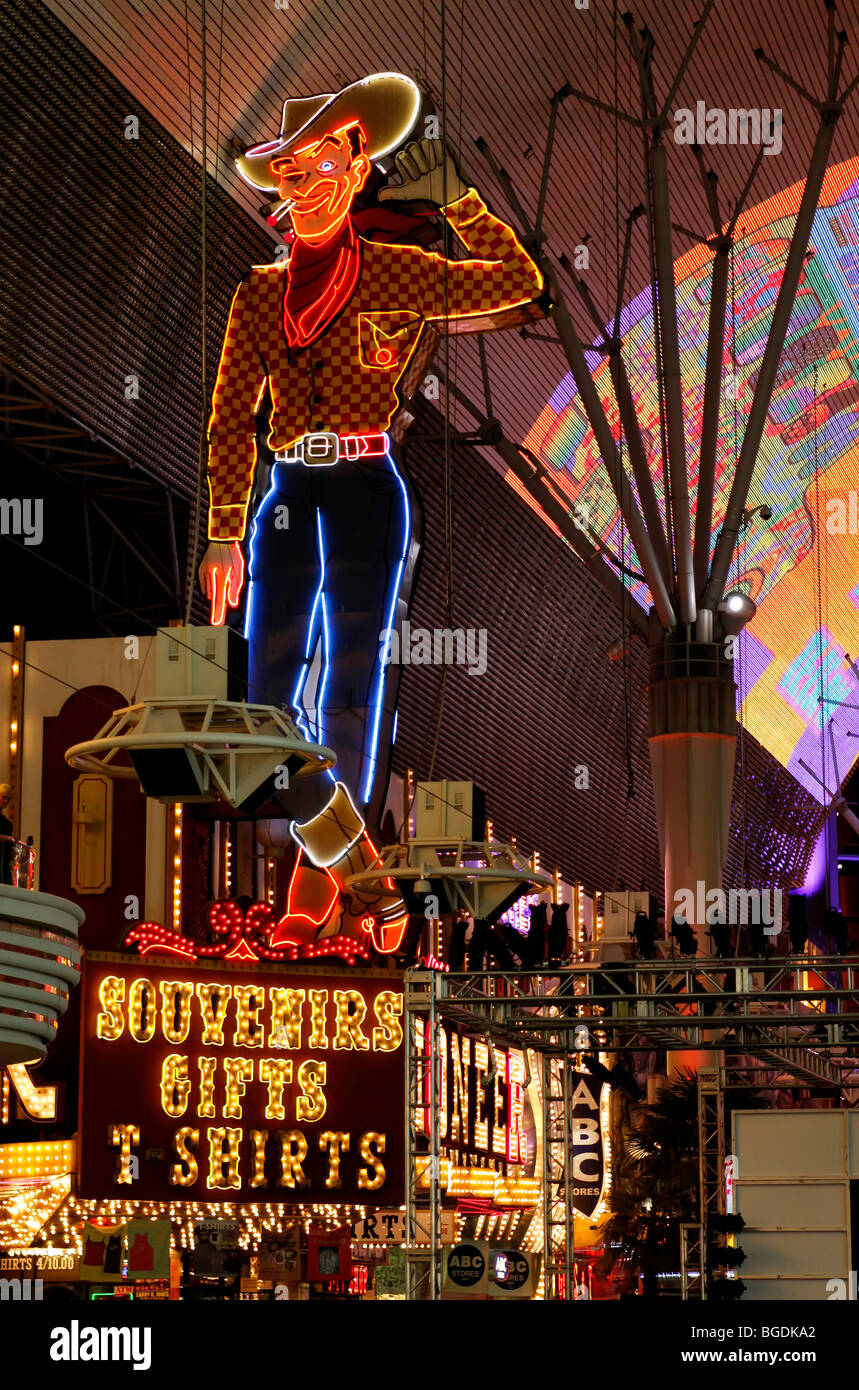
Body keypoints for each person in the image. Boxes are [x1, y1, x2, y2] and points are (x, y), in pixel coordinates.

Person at [197, 73, 545, 957]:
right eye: (289, 174)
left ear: (356, 171)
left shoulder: (393, 270)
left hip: (366, 489)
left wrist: (460, 202)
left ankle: (324, 882)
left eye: (320, 168)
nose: (305, 189)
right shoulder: (256, 296)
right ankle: (356, 864)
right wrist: (224, 530)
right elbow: (233, 414)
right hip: (285, 495)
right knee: (267, 702)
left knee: (351, 690)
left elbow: (518, 281)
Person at [0, 783, 14, 886]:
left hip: (4, 861)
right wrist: (5, 838)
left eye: (8, 799)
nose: (6, 801)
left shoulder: (5, 820)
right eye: (4, 797)